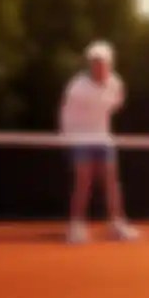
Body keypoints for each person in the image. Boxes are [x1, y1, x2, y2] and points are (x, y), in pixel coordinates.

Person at [59, 40, 140, 244]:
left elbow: (116, 104)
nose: (99, 66)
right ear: (89, 64)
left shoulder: (116, 83)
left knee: (111, 180)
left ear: (110, 64)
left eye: (103, 62)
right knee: (83, 179)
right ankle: (76, 226)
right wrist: (68, 138)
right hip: (79, 138)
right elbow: (65, 114)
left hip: (103, 137)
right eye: (95, 62)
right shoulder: (77, 87)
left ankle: (116, 224)